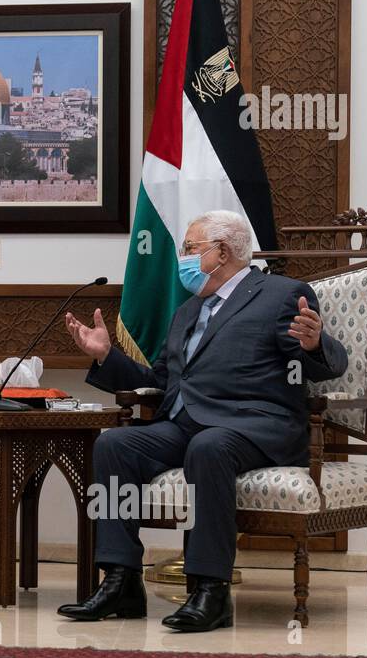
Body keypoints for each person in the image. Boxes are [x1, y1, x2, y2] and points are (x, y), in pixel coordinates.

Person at [59, 209, 347, 632]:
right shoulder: (188, 311)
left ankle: (210, 590)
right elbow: (159, 380)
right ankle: (120, 580)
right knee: (113, 444)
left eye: (191, 248)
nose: (183, 258)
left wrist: (315, 343)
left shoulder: (281, 294)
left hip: (254, 426)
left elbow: (326, 365)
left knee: (208, 446)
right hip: (186, 423)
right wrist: (106, 356)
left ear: (223, 251)